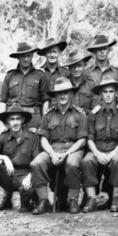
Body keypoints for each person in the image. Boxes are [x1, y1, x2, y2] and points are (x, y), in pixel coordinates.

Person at [30, 77, 88, 215]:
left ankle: (73, 200)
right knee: (36, 163)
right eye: (60, 93)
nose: (62, 96)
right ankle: (43, 201)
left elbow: (82, 141)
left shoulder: (80, 114)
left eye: (66, 92)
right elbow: (44, 139)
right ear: (55, 96)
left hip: (73, 149)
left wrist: (67, 153)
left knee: (73, 164)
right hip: (53, 149)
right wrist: (52, 154)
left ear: (71, 94)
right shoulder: (48, 114)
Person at [0, 104, 39, 216]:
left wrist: (30, 177)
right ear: (7, 121)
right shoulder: (3, 137)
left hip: (26, 177)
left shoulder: (32, 137)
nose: (15, 123)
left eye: (18, 119)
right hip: (8, 177)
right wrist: (4, 157)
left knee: (27, 193)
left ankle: (26, 203)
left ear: (23, 120)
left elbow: (38, 162)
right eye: (12, 119)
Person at [80, 74, 118, 213]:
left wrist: (113, 153)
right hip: (97, 149)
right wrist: (96, 153)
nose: (108, 95)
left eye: (111, 92)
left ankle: (116, 199)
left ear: (116, 93)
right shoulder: (93, 114)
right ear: (100, 94)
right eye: (105, 92)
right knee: (87, 161)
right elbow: (89, 137)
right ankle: (91, 199)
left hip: (115, 149)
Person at [0, 42, 49, 130]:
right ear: (18, 57)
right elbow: (3, 100)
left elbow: (45, 100)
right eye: (23, 56)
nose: (26, 59)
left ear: (32, 56)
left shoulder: (40, 75)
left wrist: (43, 122)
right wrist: (3, 123)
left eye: (28, 56)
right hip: (14, 118)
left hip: (34, 119)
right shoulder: (10, 76)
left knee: (33, 142)